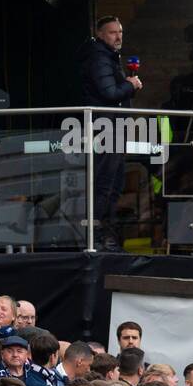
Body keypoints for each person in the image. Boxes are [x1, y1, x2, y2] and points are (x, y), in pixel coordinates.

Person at [79, 16, 142, 251]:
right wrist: (130, 85)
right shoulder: (99, 57)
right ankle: (95, 237)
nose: (118, 37)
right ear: (100, 34)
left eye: (121, 32)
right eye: (113, 32)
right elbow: (108, 93)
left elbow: (114, 93)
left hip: (113, 127)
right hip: (105, 128)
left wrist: (128, 86)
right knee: (105, 184)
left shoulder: (108, 57)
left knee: (114, 184)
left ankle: (106, 237)